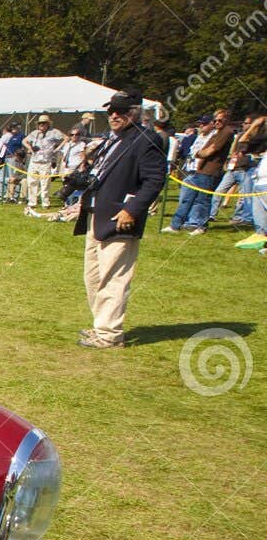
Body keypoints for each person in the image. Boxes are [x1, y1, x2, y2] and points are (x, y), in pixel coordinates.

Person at [74, 91, 167, 349]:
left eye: (121, 111)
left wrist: (132, 209)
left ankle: (109, 334)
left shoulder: (146, 139)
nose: (115, 115)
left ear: (135, 112)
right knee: (93, 275)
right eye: (111, 111)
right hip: (97, 215)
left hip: (120, 218)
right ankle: (100, 325)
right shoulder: (115, 139)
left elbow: (155, 180)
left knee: (114, 277)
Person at [166, 110, 231, 234]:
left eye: (220, 120)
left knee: (203, 200)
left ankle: (201, 226)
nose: (217, 122)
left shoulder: (226, 132)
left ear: (227, 120)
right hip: (199, 170)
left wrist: (199, 153)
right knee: (187, 198)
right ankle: (175, 225)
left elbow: (211, 150)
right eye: (215, 120)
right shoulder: (215, 133)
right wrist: (201, 154)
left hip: (210, 171)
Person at [24, 115, 65, 210]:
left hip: (46, 162)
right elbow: (24, 141)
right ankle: (32, 202)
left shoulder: (54, 132)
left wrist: (58, 148)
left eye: (43, 124)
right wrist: (30, 148)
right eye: (40, 124)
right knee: (31, 182)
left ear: (48, 124)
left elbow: (66, 138)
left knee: (45, 183)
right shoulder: (34, 133)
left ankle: (45, 202)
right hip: (34, 161)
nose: (41, 126)